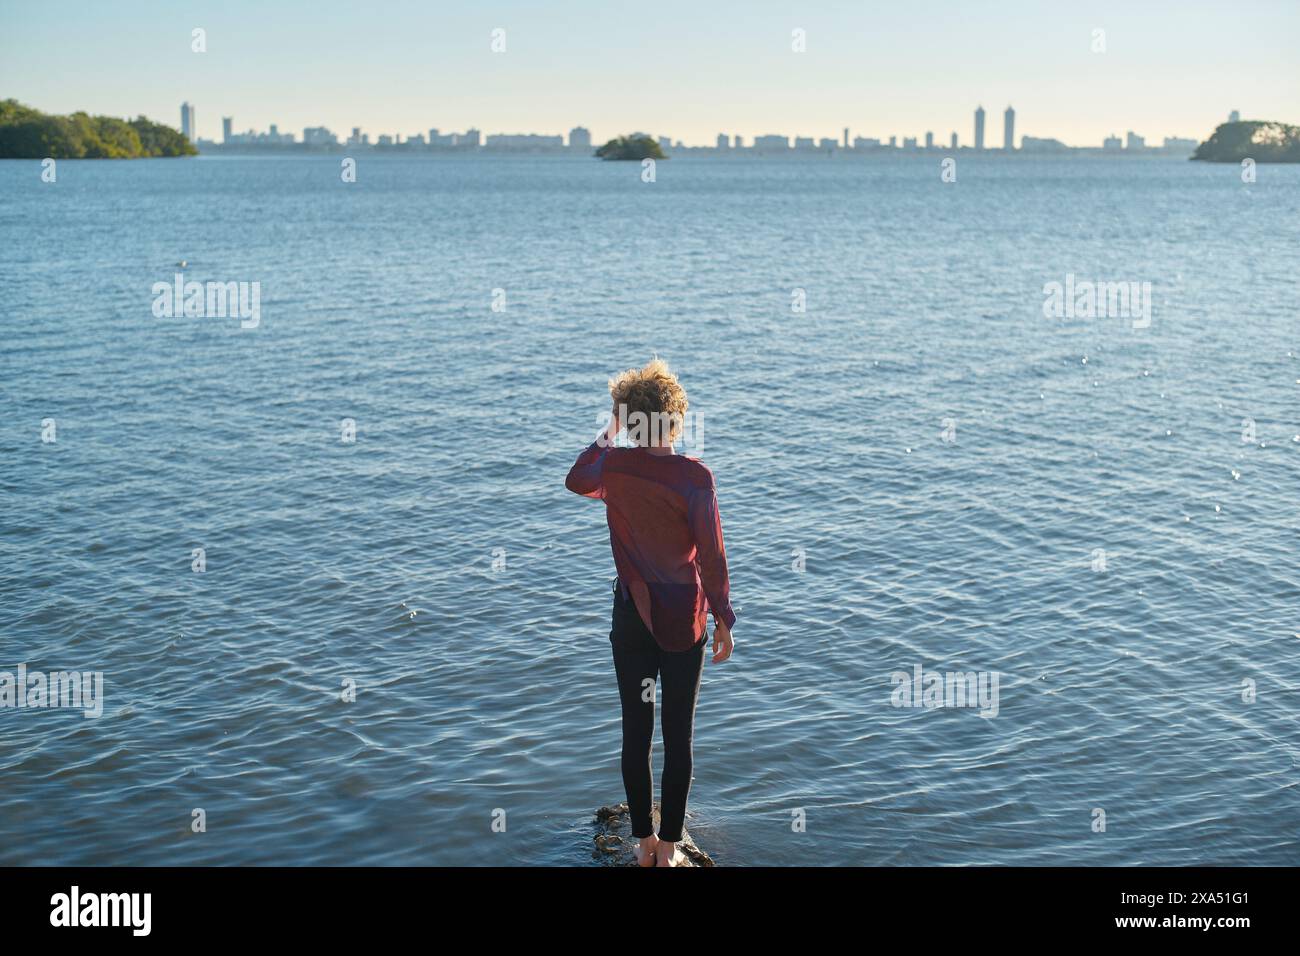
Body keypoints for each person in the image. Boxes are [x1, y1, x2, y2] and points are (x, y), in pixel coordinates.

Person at [565, 358, 736, 867]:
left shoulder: (614, 468)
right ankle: (669, 848)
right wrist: (723, 616)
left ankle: (641, 846)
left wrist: (608, 432)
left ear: (629, 420)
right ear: (676, 417)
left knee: (635, 730)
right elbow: (711, 554)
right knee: (677, 735)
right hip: (683, 621)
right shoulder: (694, 477)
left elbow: (577, 479)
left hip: (630, 617)